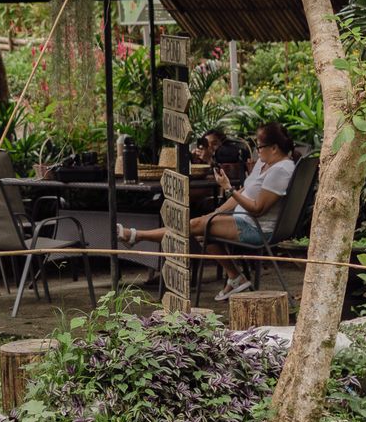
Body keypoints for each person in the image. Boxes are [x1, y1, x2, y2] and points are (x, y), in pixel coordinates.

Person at [118, 121, 297, 301]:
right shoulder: (264, 163)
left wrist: (228, 189)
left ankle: (136, 236)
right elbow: (245, 191)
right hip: (244, 219)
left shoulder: (281, 170)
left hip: (257, 228)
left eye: (260, 146)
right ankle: (235, 277)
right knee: (203, 226)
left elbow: (257, 209)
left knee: (197, 225)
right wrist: (216, 213)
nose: (257, 150)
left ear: (274, 148)